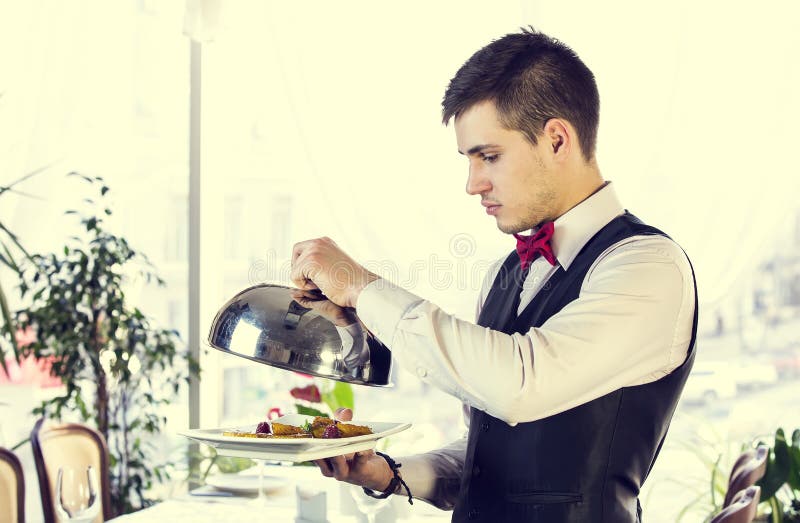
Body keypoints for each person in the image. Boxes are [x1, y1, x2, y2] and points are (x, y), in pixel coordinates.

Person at [290, 27, 697, 523]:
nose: (472, 184)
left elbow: (518, 384)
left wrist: (360, 286)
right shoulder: (508, 273)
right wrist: (387, 473)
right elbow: (493, 457)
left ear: (556, 139)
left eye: (489, 156)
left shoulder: (647, 267)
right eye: (468, 160)